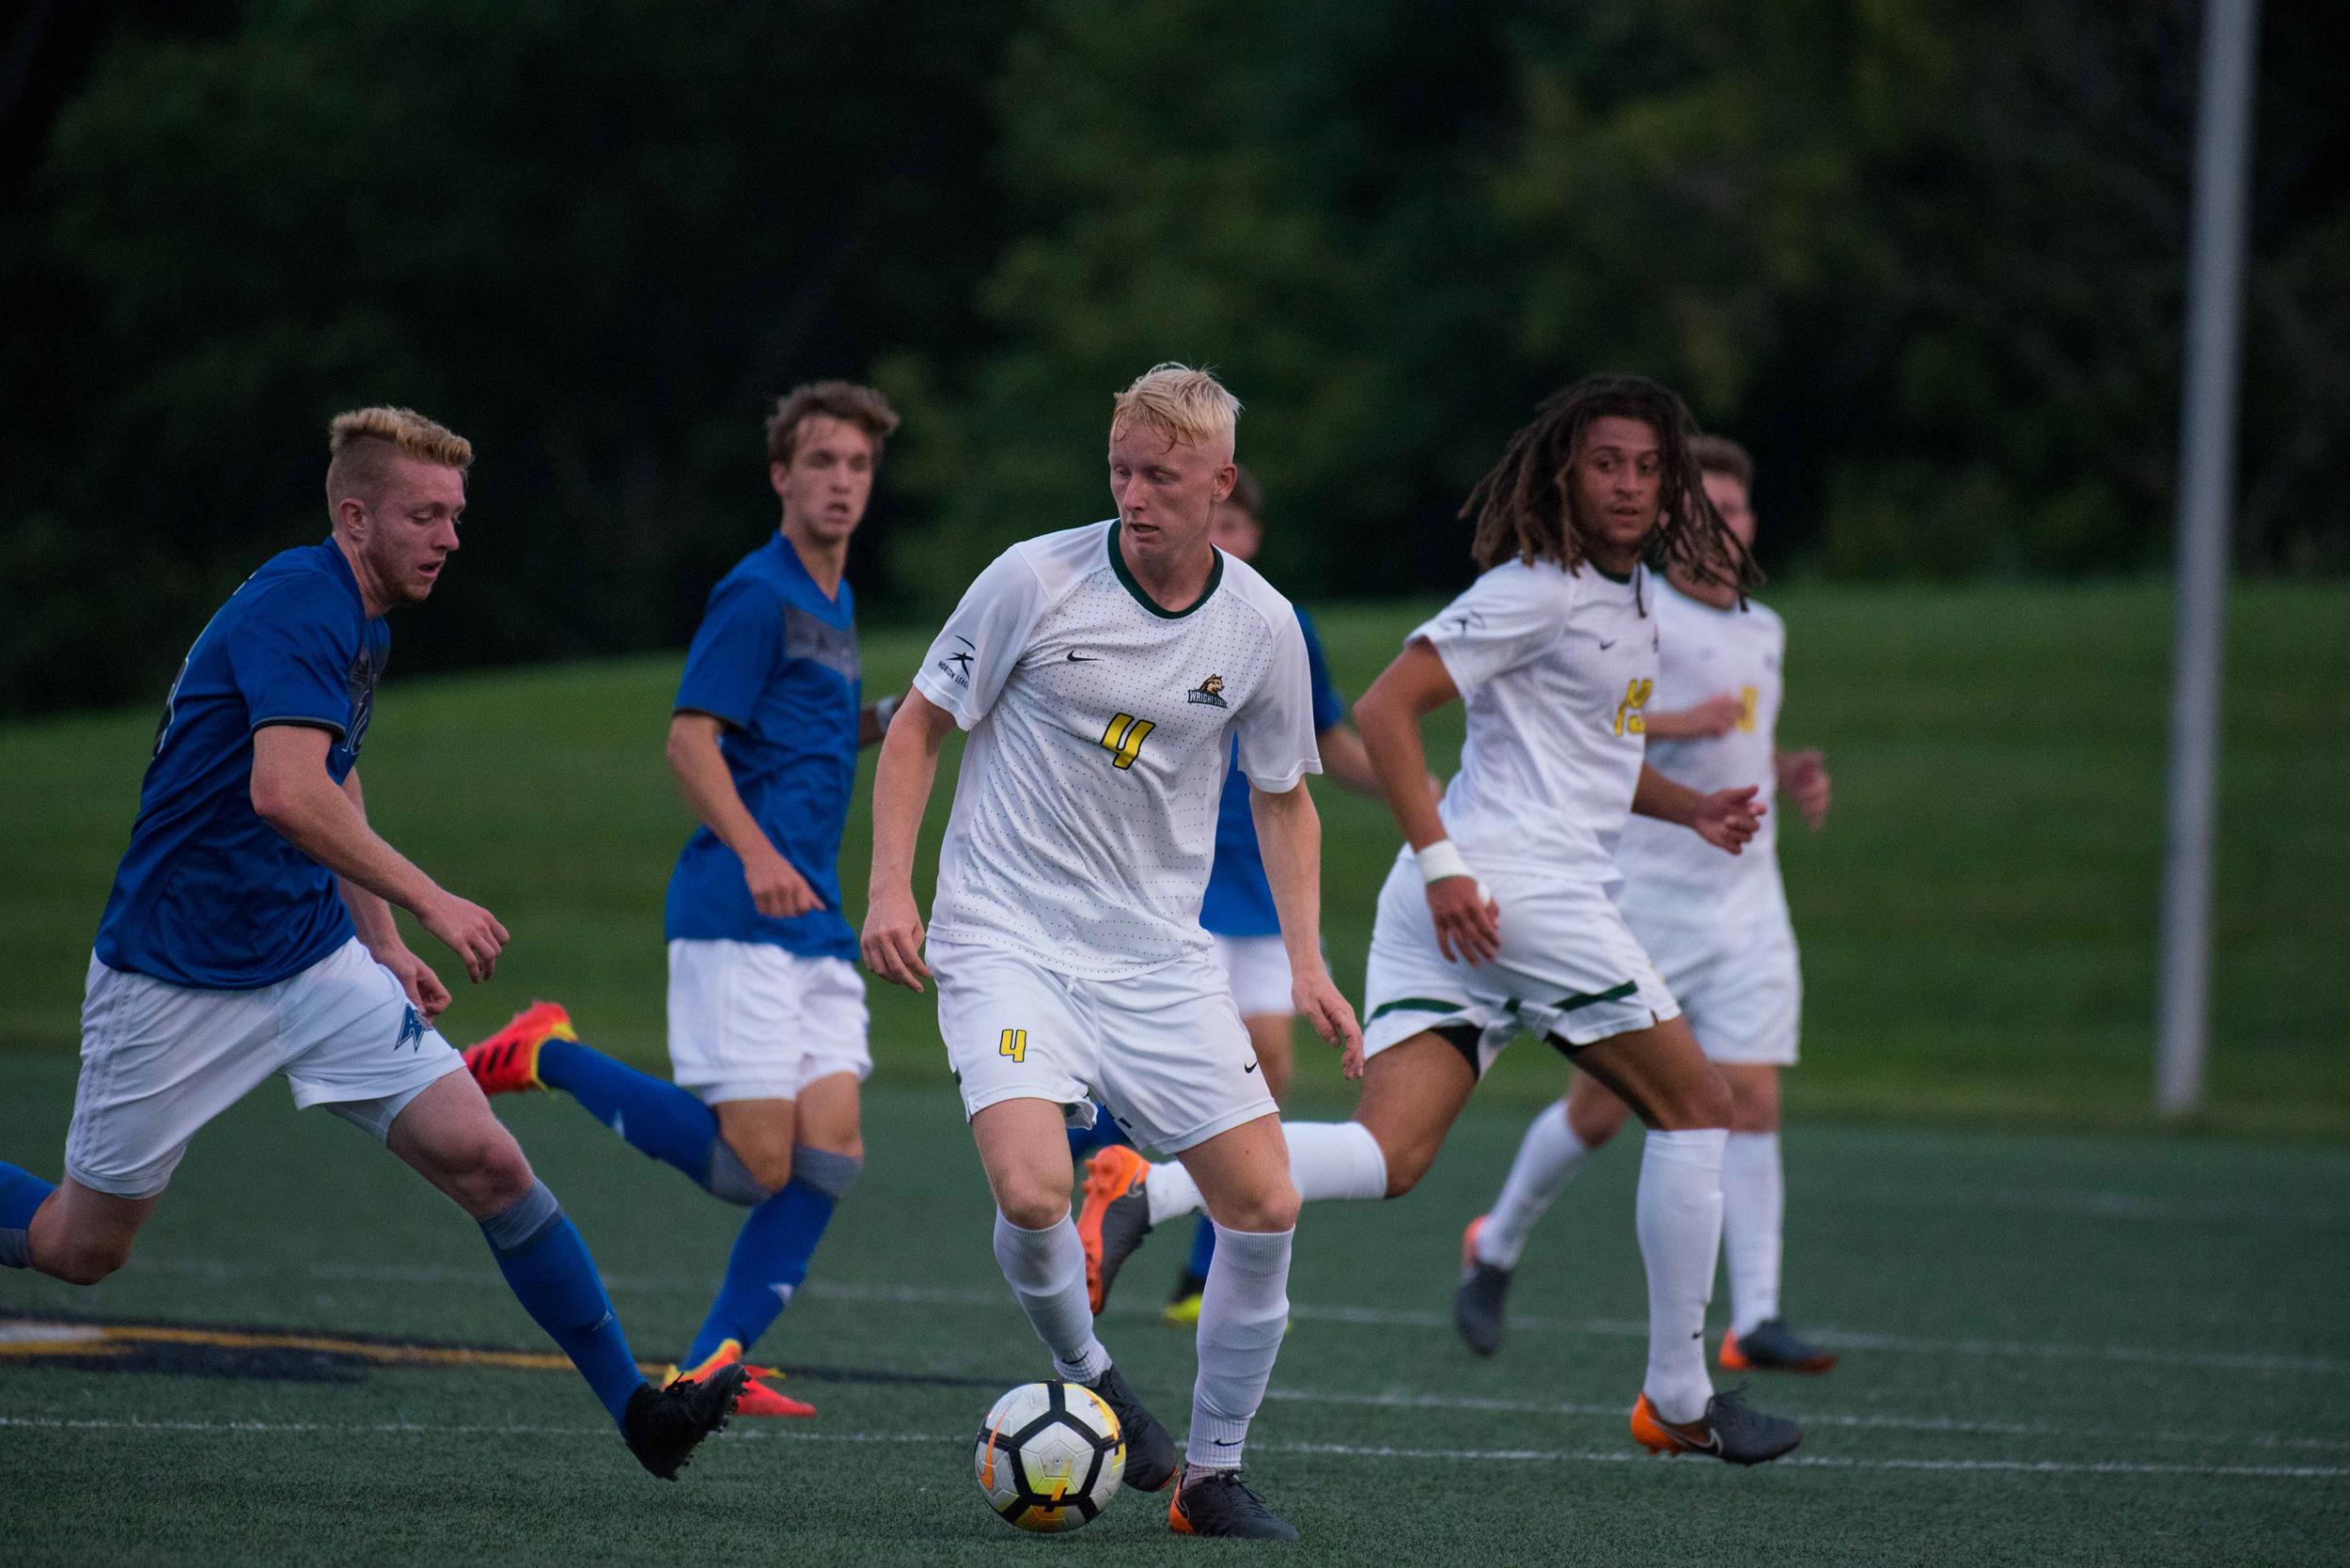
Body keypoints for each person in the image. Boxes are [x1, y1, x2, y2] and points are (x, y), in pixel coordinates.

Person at [0, 408, 744, 1478]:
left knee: (489, 1161)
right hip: (174, 974)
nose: (449, 537)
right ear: (355, 518)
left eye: (455, 515)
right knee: (81, 1249)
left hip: (309, 959)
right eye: (423, 515)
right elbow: (284, 791)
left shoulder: (363, 617)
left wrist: (383, 941)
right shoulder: (304, 604)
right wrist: (436, 900)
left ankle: (640, 1413)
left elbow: (332, 770)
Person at [1079, 374, 1804, 1466]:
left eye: (1648, 467)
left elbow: (1587, 766)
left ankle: (1147, 1190)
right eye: (1606, 461)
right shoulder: (1538, 589)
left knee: (1391, 1153)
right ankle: (1679, 1395)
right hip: (1510, 895)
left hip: (1471, 903)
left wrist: (1690, 803)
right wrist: (1445, 861)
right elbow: (1385, 708)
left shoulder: (1631, 600)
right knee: (1700, 1108)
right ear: (1565, 470)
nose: (1628, 484)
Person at [862, 364, 1360, 1539]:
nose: (1135, 495)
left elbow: (1286, 797)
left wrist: (1307, 960)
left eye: (1163, 476)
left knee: (1266, 1201)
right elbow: (921, 726)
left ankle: (1214, 1476)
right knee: (1034, 1185)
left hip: (1157, 961)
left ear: (1220, 484)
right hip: (1005, 940)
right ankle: (1095, 1374)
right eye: (1120, 471)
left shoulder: (1262, 626)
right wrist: (891, 885)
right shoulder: (1032, 579)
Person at [462, 383, 903, 1418]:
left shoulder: (833, 601)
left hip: (816, 923)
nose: (842, 481)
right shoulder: (757, 593)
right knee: (753, 1170)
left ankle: (710, 1364)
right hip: (736, 909)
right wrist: (754, 853)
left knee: (830, 1152)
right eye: (823, 462)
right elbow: (689, 740)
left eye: (859, 465)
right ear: (780, 476)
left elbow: (808, 737)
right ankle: (547, 1051)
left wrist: (914, 707)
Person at [1456, 434, 1835, 1372]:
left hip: (1746, 899)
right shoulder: (1636, 615)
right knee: (1600, 1112)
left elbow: (1741, 736)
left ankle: (1754, 1321)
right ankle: (1494, 1244)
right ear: (1672, 525)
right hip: (1644, 892)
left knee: (1751, 1098)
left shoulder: (1764, 628)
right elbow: (1590, 731)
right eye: (1704, 509)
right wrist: (1677, 723)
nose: (1722, 526)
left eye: (1736, 510)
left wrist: (1784, 770)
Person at [1158, 467, 1386, 1324]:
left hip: (1261, 889)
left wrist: (1412, 791)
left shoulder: (1278, 626)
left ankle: (1198, 1266)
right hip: (1177, 887)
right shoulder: (1151, 619)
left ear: (1252, 535)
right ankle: (1104, 1186)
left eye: (1240, 523)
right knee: (1168, 1072)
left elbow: (1324, 735)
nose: (1227, 536)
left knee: (1263, 1080)